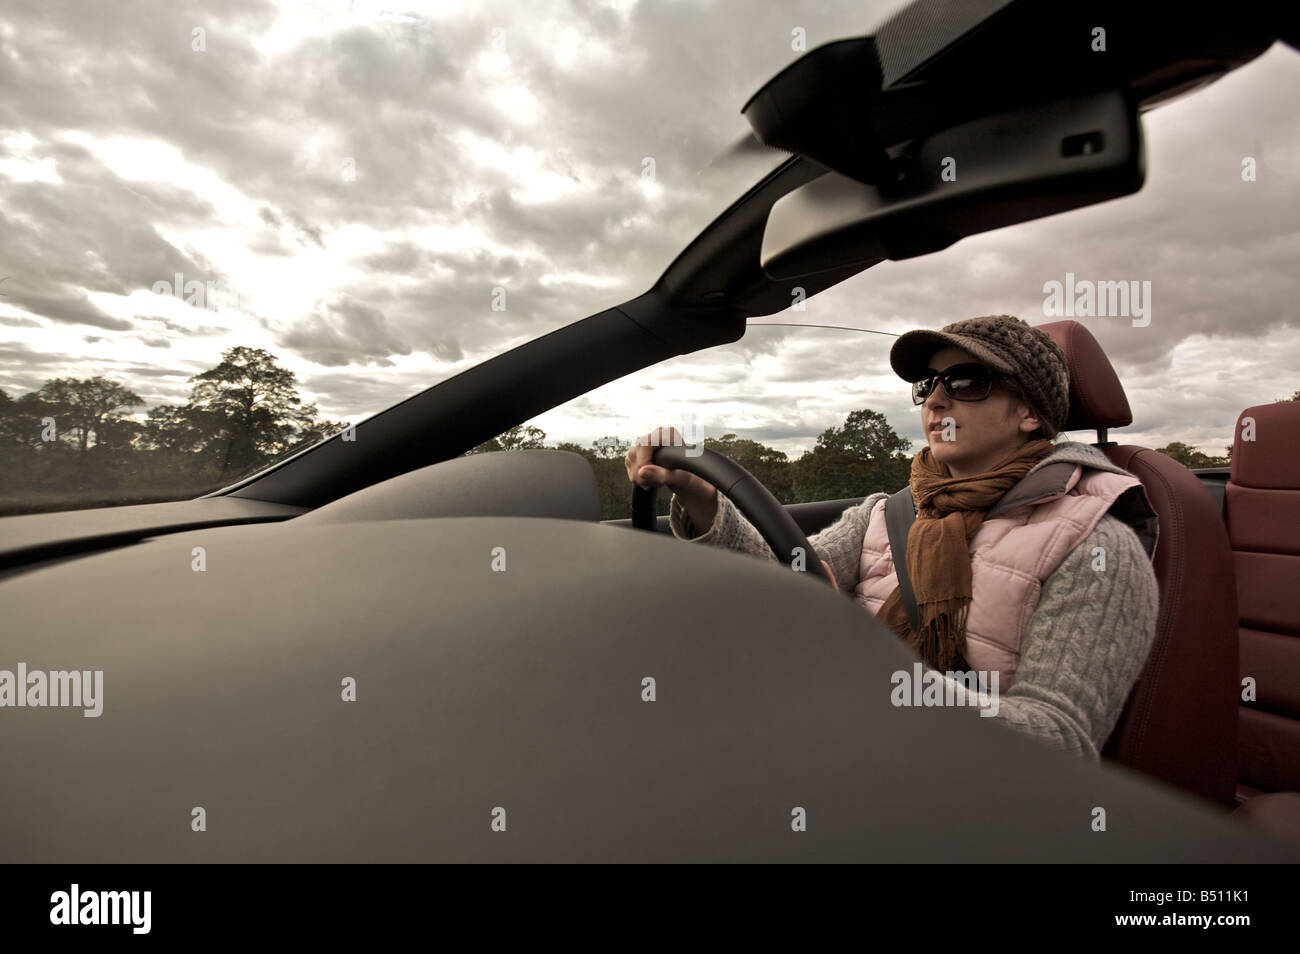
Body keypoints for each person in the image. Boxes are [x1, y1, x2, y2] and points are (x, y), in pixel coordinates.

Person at [624, 314, 1160, 760]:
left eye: (966, 383)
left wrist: (874, 685)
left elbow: (1060, 739)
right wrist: (702, 497)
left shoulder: (1098, 546)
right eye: (927, 385)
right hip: (838, 744)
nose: (935, 402)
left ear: (1029, 413)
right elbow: (783, 579)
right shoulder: (884, 515)